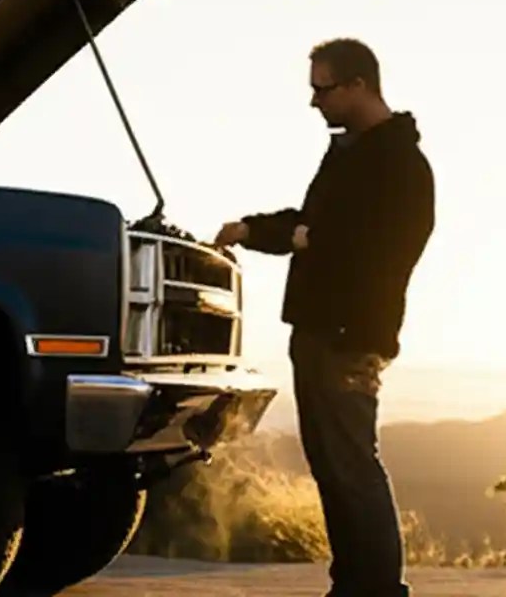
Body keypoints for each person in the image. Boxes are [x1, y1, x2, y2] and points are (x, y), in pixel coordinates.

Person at [215, 38, 434, 597]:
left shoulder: (400, 162)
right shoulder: (351, 152)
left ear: (359, 85)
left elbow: (387, 246)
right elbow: (311, 224)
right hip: (315, 332)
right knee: (334, 470)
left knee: (354, 467)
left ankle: (380, 589)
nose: (315, 102)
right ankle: (353, 585)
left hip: (350, 336)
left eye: (323, 89)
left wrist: (313, 239)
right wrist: (253, 229)